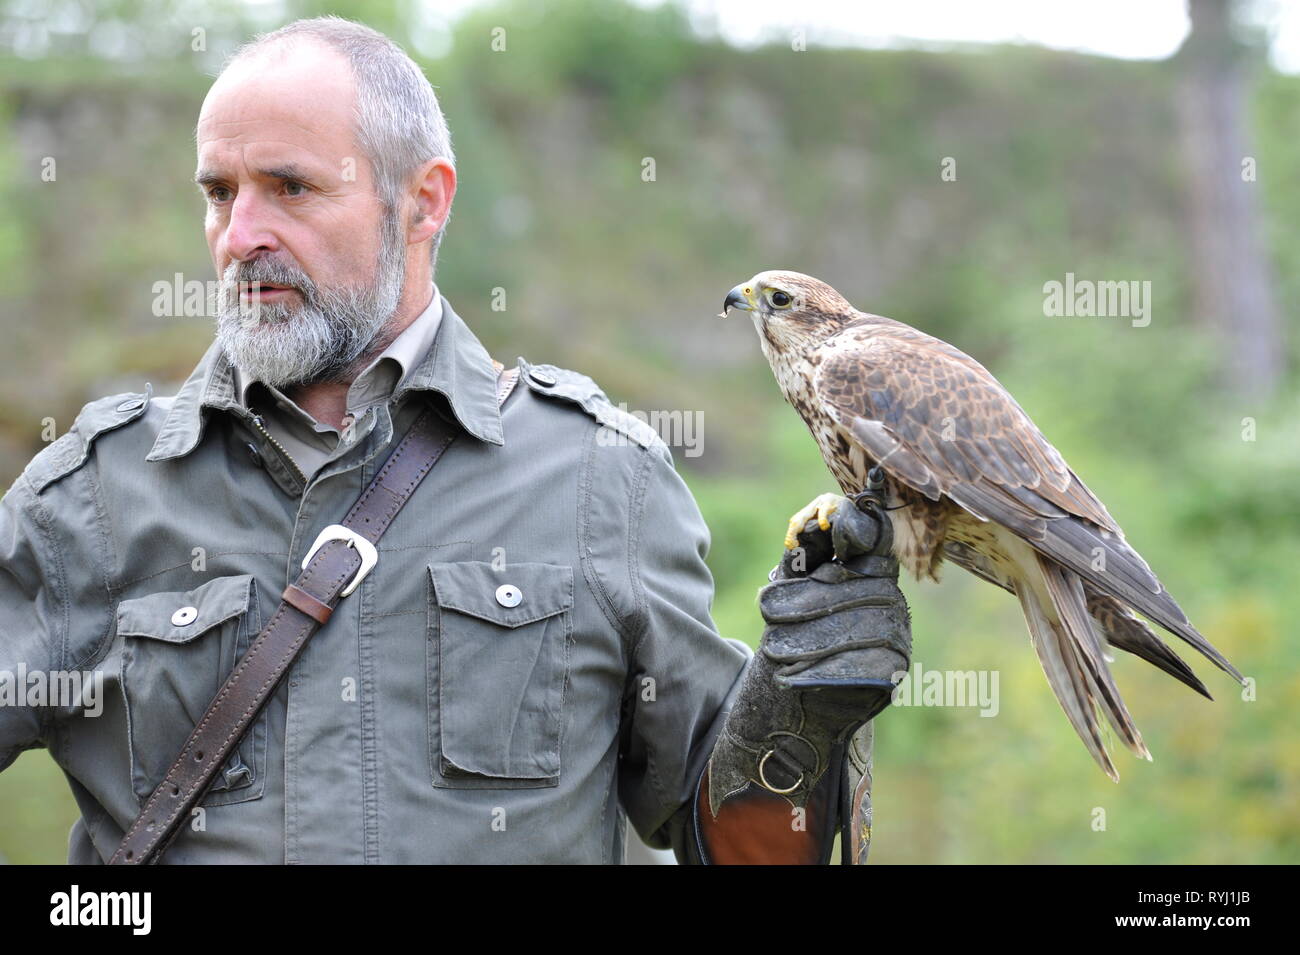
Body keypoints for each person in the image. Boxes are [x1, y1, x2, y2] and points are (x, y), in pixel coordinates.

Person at [0, 16, 909, 864]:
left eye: (290, 188)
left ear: (423, 203)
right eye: (218, 193)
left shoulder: (601, 478)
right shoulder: (90, 495)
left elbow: (739, 840)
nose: (241, 235)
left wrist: (799, 710)